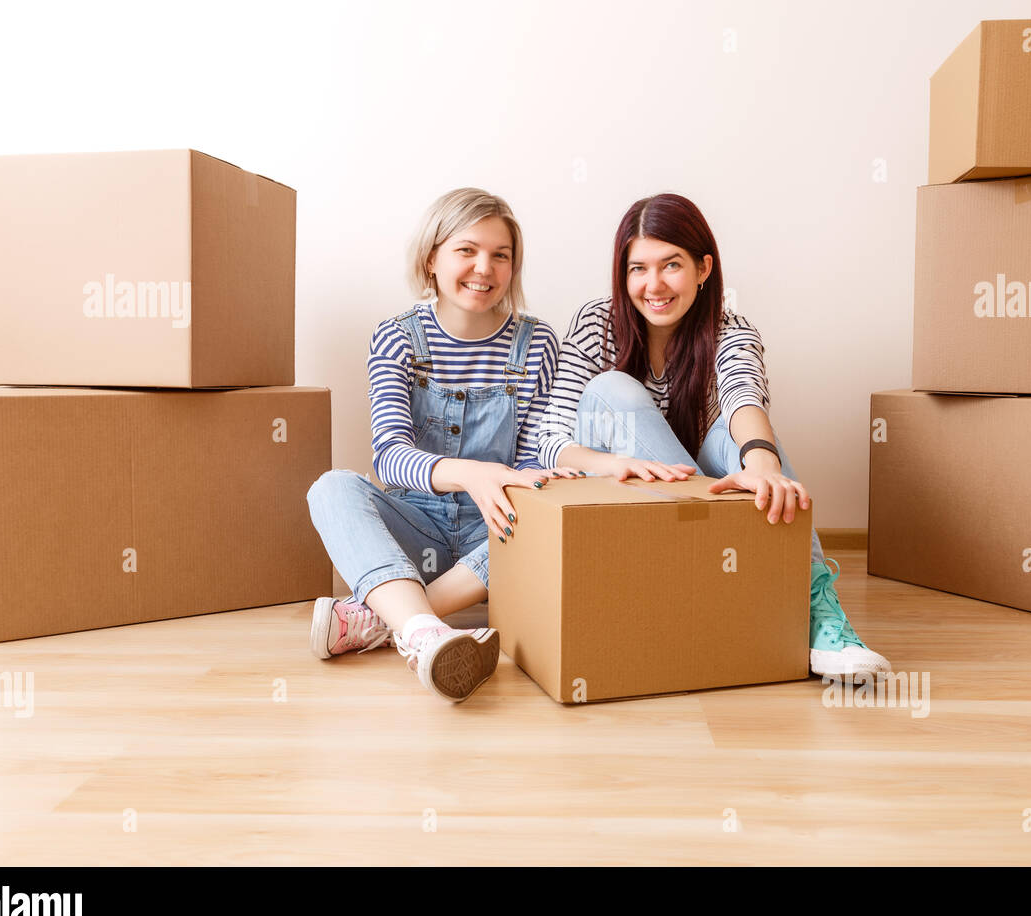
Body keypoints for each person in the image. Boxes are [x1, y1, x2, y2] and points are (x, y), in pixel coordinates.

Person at [536, 193, 891, 679]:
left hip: (705, 502)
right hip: (627, 505)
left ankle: (818, 611)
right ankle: (750, 580)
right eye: (638, 268)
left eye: (671, 265)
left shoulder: (731, 330)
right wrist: (614, 464)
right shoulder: (597, 324)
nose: (653, 285)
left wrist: (764, 465)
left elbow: (744, 395)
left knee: (739, 433)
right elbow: (551, 438)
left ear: (704, 268)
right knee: (610, 387)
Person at [305, 188, 570, 702]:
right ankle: (427, 634)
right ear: (432, 258)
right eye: (466, 250)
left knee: (552, 517)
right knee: (331, 487)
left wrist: (507, 489)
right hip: (417, 527)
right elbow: (390, 456)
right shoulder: (397, 337)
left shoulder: (538, 343)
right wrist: (471, 472)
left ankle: (392, 621)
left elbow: (542, 463)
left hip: (498, 534)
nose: (484, 268)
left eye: (501, 255)